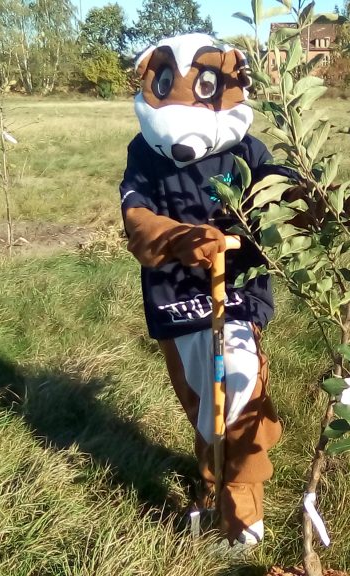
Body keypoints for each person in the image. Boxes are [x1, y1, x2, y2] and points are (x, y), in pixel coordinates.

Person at [117, 33, 283, 548]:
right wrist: (177, 237)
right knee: (204, 404)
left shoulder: (247, 151)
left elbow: (282, 193)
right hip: (176, 300)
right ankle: (210, 487)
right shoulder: (145, 154)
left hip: (235, 296)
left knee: (241, 389)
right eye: (169, 84)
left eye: (205, 83)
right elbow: (136, 217)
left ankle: (242, 518)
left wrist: (331, 206)